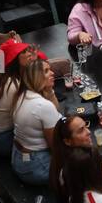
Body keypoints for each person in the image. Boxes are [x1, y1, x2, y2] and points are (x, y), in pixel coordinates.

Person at [11, 56, 60, 186]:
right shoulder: (42, 106)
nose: (52, 73)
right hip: (36, 167)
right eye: (46, 71)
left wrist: (49, 91)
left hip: (18, 159)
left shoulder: (21, 95)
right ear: (36, 76)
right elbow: (55, 147)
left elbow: (55, 112)